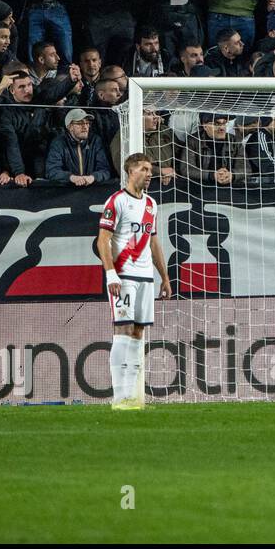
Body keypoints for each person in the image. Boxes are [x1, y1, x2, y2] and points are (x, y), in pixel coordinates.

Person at [97, 152, 172, 411]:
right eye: (143, 169)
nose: (149, 173)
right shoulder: (116, 201)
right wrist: (110, 274)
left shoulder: (151, 204)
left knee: (139, 332)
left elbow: (153, 241)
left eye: (150, 169)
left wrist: (164, 277)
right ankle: (120, 397)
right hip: (123, 275)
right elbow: (102, 240)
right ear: (130, 172)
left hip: (145, 277)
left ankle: (131, 397)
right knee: (123, 329)